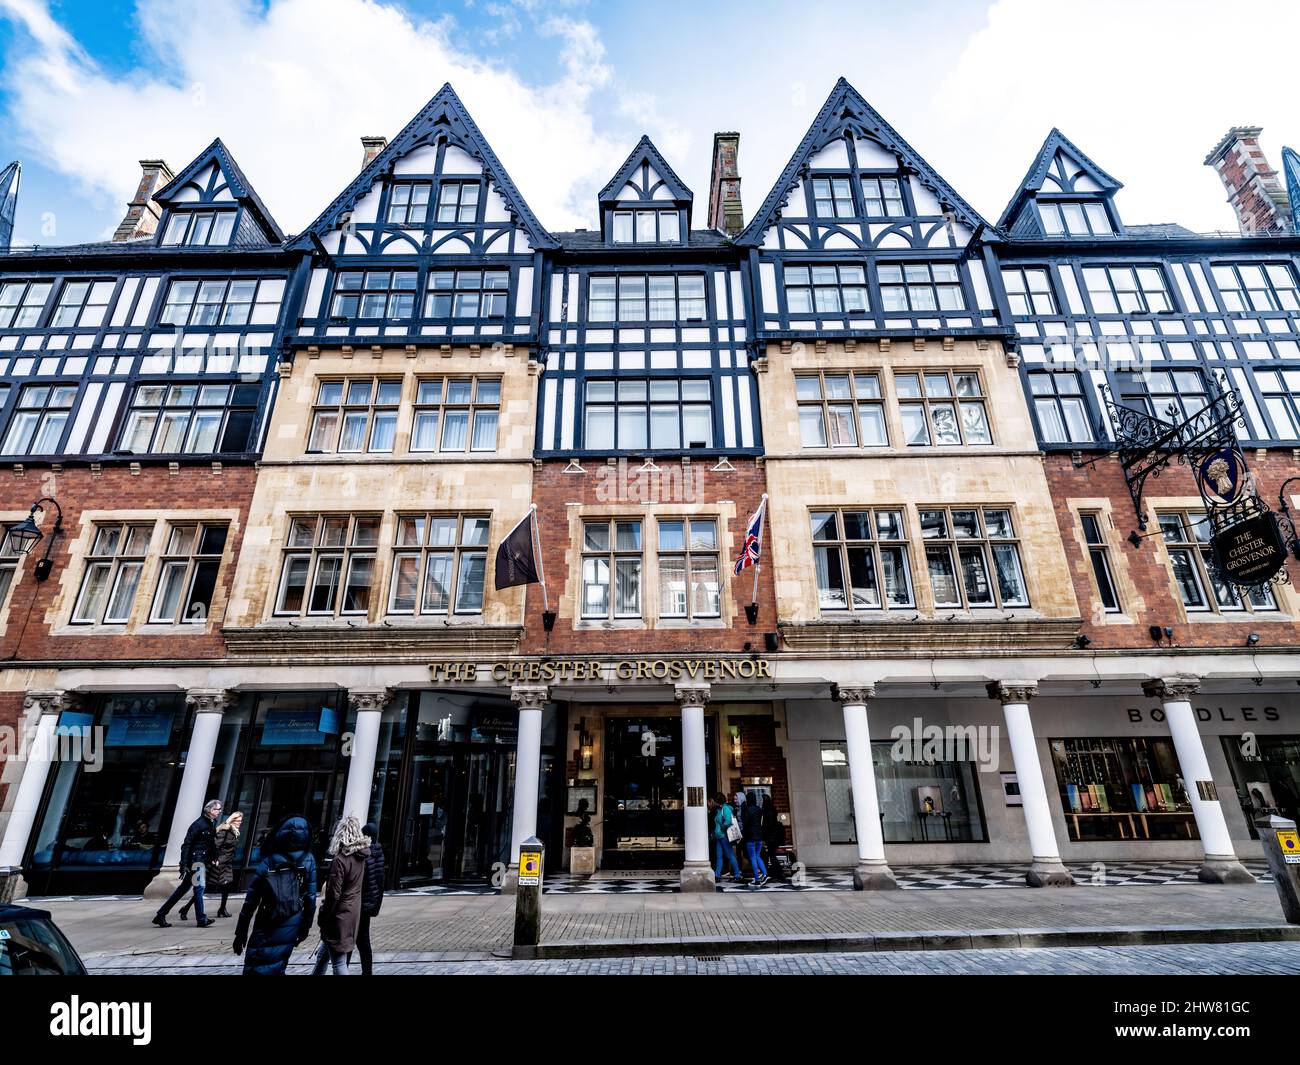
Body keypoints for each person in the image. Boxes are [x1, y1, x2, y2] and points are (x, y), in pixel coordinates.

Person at [233, 814, 317, 976]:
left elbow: (251, 901)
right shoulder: (308, 860)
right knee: (278, 964)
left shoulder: (270, 860)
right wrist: (305, 927)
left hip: (268, 918)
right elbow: (310, 899)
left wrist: (241, 930)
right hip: (292, 919)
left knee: (257, 963)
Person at [312, 815, 370, 976]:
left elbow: (333, 894)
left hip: (338, 915)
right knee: (324, 955)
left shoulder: (341, 860)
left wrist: (323, 915)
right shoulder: (360, 858)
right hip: (352, 912)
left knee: (339, 963)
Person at [153, 798, 221, 928]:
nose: (219, 811)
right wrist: (183, 865)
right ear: (211, 810)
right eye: (218, 809)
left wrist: (214, 856)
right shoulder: (198, 824)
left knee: (182, 889)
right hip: (196, 863)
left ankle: (160, 915)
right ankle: (201, 919)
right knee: (199, 888)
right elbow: (187, 845)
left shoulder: (210, 823)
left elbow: (210, 843)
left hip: (200, 861)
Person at [180, 810, 242, 920]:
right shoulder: (226, 831)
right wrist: (216, 859)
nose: (240, 823)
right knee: (203, 888)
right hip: (219, 864)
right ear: (232, 820)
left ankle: (222, 909)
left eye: (241, 821)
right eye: (238, 820)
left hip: (226, 863)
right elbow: (215, 845)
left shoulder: (233, 831)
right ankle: (186, 908)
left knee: (226, 886)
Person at [350, 821, 385, 976]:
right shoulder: (379, 853)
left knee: (350, 940)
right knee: (363, 941)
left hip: (358, 903)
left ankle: (342, 968)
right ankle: (367, 972)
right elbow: (380, 881)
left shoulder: (363, 855)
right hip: (369, 902)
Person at [712, 791, 743, 883]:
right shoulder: (719, 809)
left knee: (730, 855)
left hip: (724, 836)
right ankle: (717, 875)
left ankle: (737, 874)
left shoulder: (726, 809)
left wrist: (721, 827)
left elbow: (728, 821)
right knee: (719, 856)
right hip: (719, 836)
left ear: (717, 801)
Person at [741, 791, 768, 887]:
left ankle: (757, 879)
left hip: (750, 836)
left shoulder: (748, 809)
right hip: (759, 835)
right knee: (757, 856)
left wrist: (743, 808)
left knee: (752, 857)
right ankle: (765, 873)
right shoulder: (759, 809)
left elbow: (746, 823)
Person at [761, 793, 784, 881]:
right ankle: (777, 872)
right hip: (772, 837)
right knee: (771, 855)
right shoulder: (771, 810)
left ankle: (779, 873)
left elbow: (768, 825)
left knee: (772, 855)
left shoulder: (768, 811)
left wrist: (764, 832)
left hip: (771, 837)